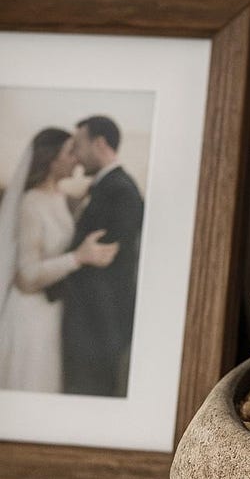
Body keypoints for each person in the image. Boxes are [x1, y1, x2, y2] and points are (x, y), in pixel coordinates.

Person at [0, 128, 119, 393]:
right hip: (30, 319)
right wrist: (78, 258)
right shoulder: (31, 203)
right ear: (51, 159)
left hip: (53, 314)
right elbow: (26, 277)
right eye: (70, 151)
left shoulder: (62, 198)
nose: (78, 157)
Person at [48, 116, 144, 397]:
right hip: (88, 326)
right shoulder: (103, 187)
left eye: (78, 145)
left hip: (98, 329)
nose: (76, 156)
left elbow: (106, 259)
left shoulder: (121, 191)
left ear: (99, 143)